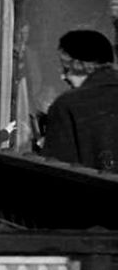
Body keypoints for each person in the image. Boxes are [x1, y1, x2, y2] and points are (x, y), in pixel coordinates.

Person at [42, 29, 118, 172]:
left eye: (66, 69)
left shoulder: (66, 106)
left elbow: (58, 171)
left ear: (79, 65)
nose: (63, 77)